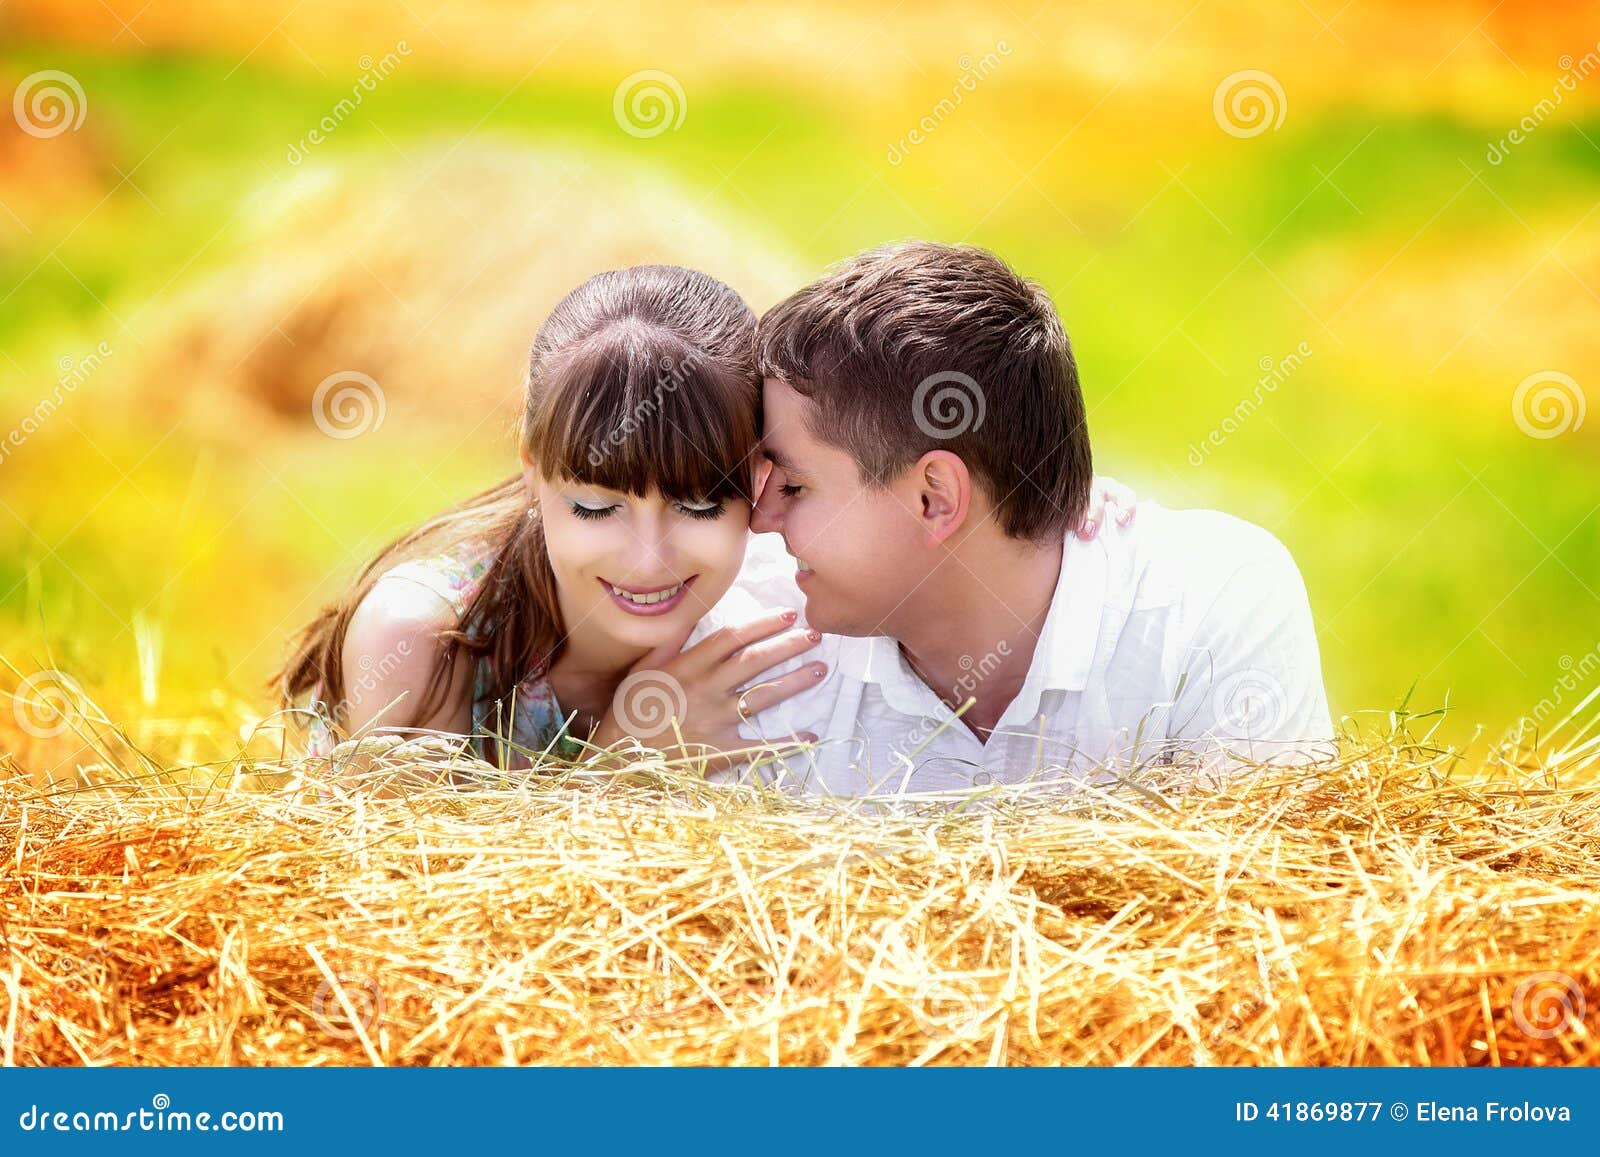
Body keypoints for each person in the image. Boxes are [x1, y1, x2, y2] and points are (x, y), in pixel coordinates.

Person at [272, 260, 1140, 795]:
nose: (648, 559)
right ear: (532, 467)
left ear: (763, 482)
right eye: (596, 506)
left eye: (698, 504)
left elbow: (897, 490)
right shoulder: (424, 640)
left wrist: (1025, 502)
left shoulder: (788, 563)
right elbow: (410, 935)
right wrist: (618, 769)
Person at [740, 240, 1336, 796]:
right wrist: (653, 756)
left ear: (935, 499)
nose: (760, 519)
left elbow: (1262, 896)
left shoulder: (1211, 613)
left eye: (793, 484)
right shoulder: (748, 639)